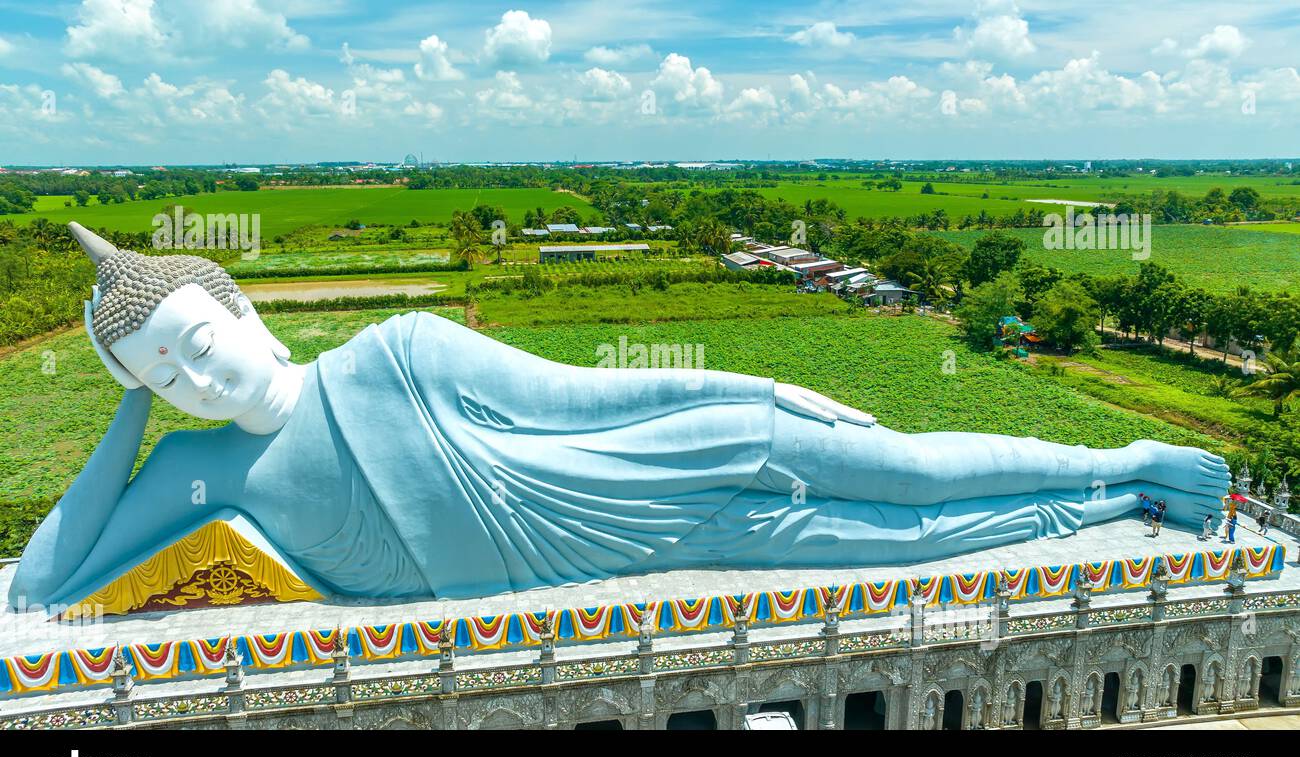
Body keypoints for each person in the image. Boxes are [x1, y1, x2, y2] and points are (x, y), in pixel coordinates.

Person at [6, 225, 1235, 611]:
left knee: (902, 468)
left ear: (249, 312)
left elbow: (597, 395)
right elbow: (44, 590)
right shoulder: (208, 477)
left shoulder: (397, 352)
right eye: (163, 374)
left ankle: (1118, 452)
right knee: (899, 547)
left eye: (198, 343)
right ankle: (1111, 500)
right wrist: (124, 415)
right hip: (640, 554)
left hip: (660, 455)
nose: (196, 380)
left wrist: (756, 390)